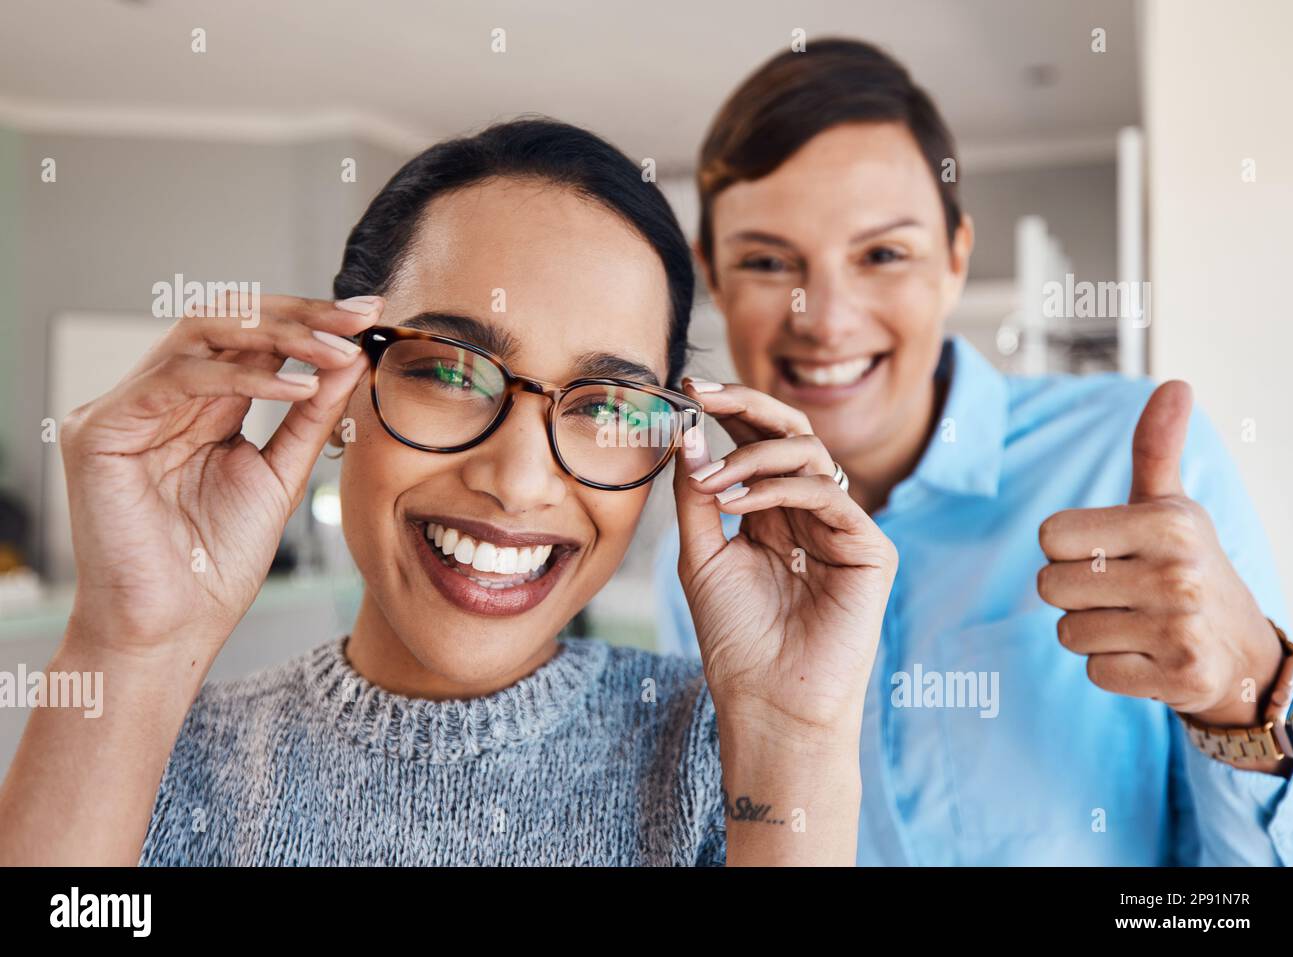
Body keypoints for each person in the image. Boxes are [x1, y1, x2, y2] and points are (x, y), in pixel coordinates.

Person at [0, 119, 897, 866]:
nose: (515, 480)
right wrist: (127, 641)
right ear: (338, 384)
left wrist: (794, 738)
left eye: (608, 405)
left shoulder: (724, 757)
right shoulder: (154, 759)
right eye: (451, 371)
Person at [656, 39, 1293, 865]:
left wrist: (1246, 696)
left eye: (883, 254)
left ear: (956, 259)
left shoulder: (1121, 460)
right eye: (768, 261)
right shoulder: (699, 555)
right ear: (712, 273)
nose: (824, 318)